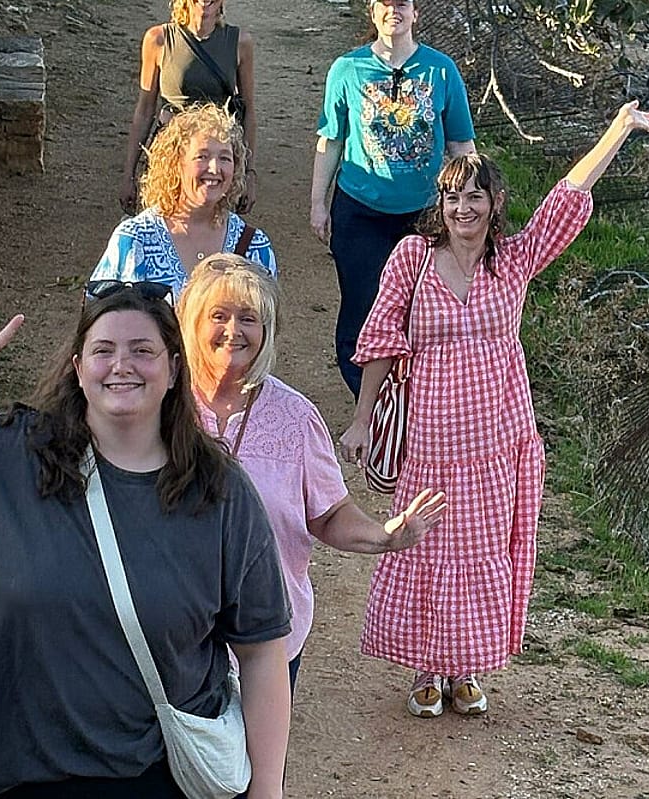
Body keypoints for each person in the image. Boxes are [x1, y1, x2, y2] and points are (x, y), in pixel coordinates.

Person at [0, 288, 291, 797]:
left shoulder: (219, 493)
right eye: (104, 351)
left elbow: (261, 653)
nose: (121, 364)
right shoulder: (7, 453)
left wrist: (267, 790)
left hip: (149, 776)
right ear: (79, 369)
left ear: (172, 369)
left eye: (142, 350)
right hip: (1, 772)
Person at [339, 101, 649, 717]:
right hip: (430, 437)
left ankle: (464, 669)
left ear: (493, 205)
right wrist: (360, 418)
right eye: (454, 198)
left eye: (476, 198)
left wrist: (617, 128)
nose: (464, 209)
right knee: (426, 544)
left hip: (498, 436)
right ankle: (425, 669)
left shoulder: (513, 259)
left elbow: (568, 196)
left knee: (483, 547)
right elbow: (381, 337)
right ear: (441, 205)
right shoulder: (411, 257)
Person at [176, 253, 447, 699]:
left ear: (267, 332)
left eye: (249, 318)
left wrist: (386, 536)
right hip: (173, 635)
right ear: (191, 323)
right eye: (218, 315)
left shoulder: (295, 417)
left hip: (265, 637)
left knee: (259, 768)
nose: (233, 331)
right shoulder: (162, 409)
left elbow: (328, 514)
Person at [310, 0, 476, 398]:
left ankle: (414, 395)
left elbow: (461, 145)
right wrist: (318, 202)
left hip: (422, 216)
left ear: (415, 13)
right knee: (363, 305)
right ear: (372, 12)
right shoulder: (347, 69)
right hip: (359, 211)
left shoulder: (441, 70)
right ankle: (369, 400)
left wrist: (475, 204)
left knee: (420, 310)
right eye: (385, 4)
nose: (393, 11)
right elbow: (331, 139)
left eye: (402, 4)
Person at [96, 103, 276, 300]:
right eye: (202, 156)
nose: (215, 169)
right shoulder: (134, 240)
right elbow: (99, 318)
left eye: (225, 158)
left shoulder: (255, 247)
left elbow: (267, 325)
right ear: (175, 164)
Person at [120, 0, 258, 214]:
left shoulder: (239, 42)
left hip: (215, 160)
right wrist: (129, 175)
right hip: (170, 156)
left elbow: (248, 113)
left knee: (212, 226)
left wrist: (248, 173)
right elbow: (145, 110)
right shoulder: (158, 40)